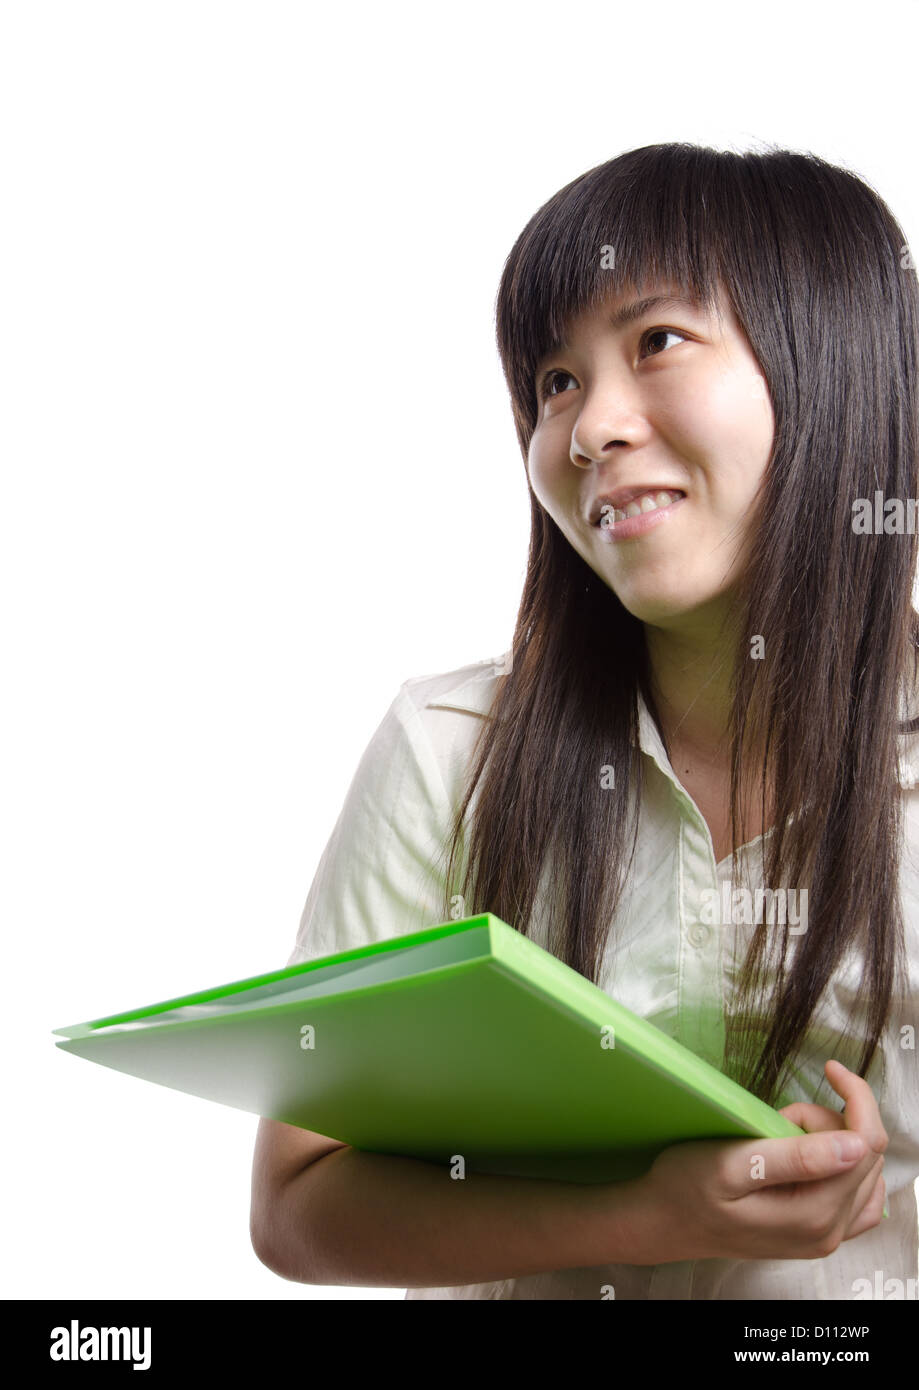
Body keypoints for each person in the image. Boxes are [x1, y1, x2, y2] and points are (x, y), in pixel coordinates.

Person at [249, 142, 919, 1300]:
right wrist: (642, 1214)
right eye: (554, 380)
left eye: (655, 341)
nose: (587, 428)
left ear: (831, 361)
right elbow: (298, 1203)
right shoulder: (450, 750)